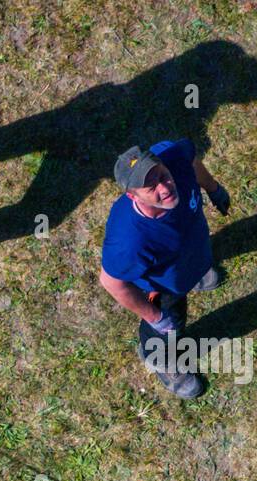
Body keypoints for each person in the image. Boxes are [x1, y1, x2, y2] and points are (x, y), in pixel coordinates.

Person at [98, 140, 231, 399]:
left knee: (195, 256)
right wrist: (155, 317)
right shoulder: (129, 241)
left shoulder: (173, 156)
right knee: (168, 326)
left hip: (192, 254)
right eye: (150, 187)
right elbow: (112, 282)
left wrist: (213, 189)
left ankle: (196, 275)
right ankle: (162, 362)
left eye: (162, 175)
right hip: (165, 289)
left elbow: (191, 161)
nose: (164, 187)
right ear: (132, 195)